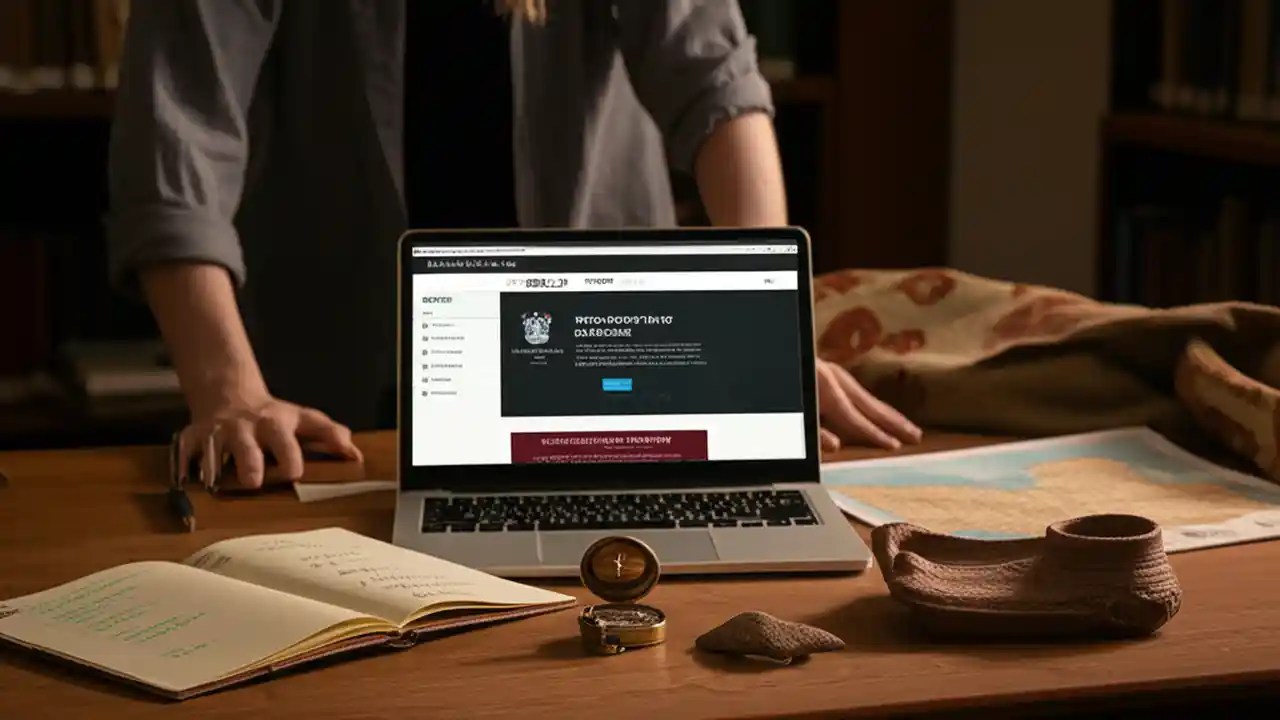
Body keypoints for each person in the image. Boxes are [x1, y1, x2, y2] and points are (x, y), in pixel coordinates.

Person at [107, 0, 921, 488]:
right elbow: (177, 133)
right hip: (334, 392)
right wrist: (230, 396)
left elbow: (717, 86)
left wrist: (757, 338)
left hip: (613, 363)